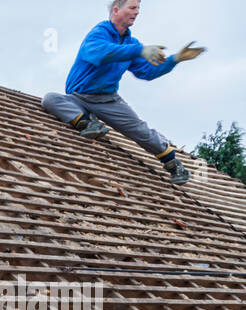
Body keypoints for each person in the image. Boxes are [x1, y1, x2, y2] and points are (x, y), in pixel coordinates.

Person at [41, 0, 205, 184]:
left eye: (138, 9)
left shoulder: (131, 44)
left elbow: (147, 72)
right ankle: (86, 123)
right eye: (133, 8)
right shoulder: (100, 33)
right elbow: (99, 54)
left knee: (139, 129)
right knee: (50, 99)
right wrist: (139, 50)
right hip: (78, 97)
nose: (137, 12)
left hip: (108, 100)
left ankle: (173, 163)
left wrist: (174, 59)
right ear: (116, 10)